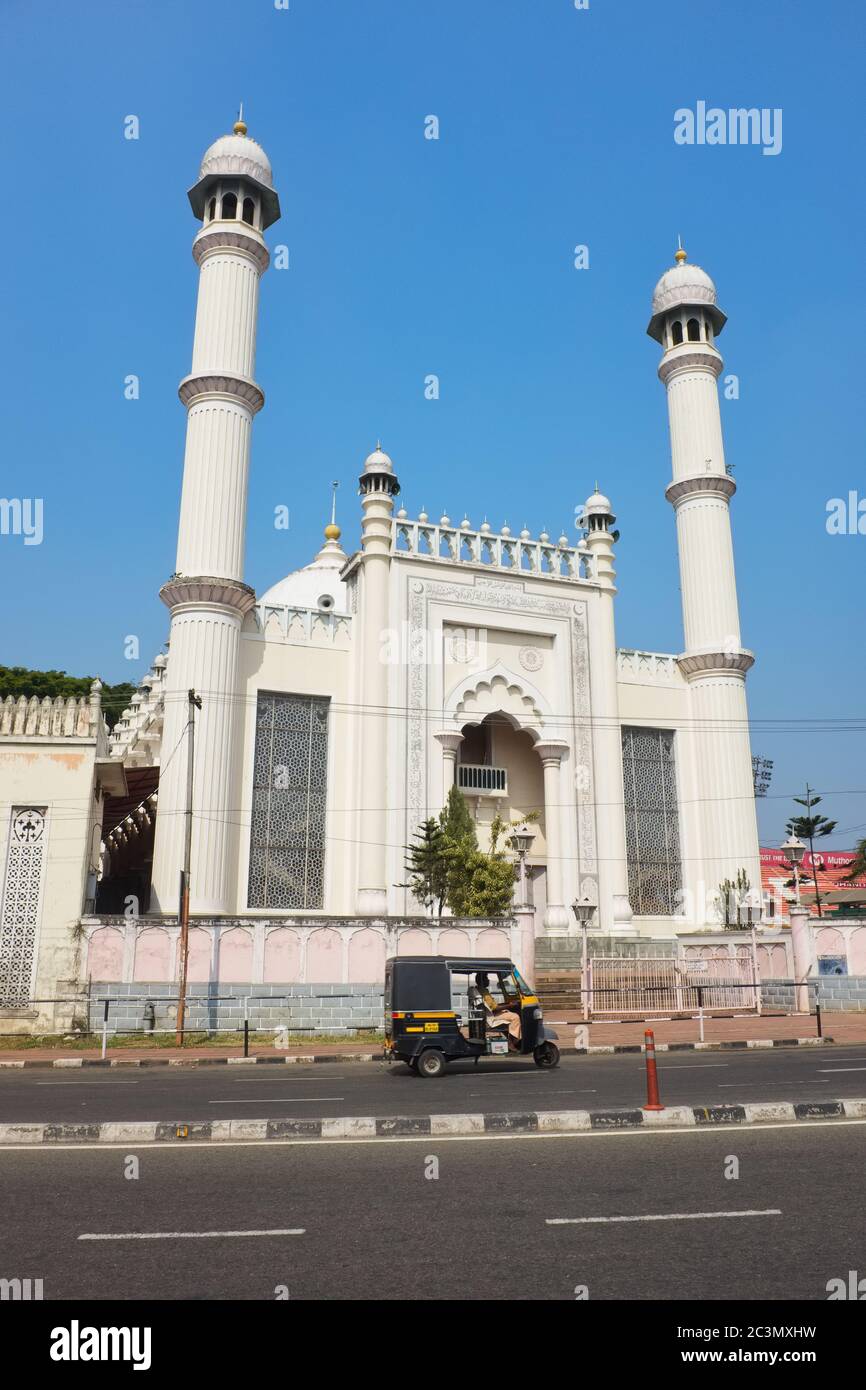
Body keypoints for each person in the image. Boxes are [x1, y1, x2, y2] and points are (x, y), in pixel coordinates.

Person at [475, 971, 521, 1047]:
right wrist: (511, 1005)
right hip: (492, 1017)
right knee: (515, 1017)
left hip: (490, 1014)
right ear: (482, 980)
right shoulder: (484, 992)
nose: (488, 980)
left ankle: (511, 1039)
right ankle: (513, 1042)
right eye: (486, 978)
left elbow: (493, 1006)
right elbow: (495, 1008)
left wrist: (508, 1004)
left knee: (508, 1012)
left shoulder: (481, 990)